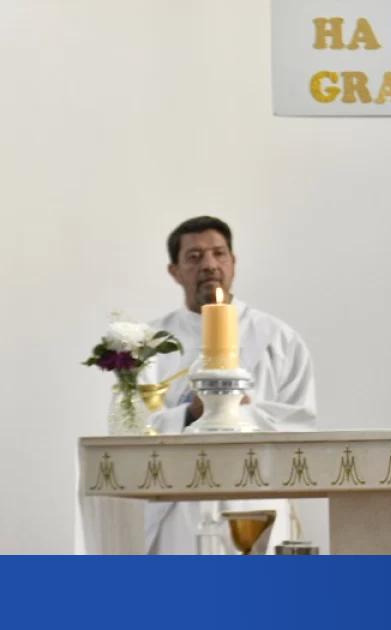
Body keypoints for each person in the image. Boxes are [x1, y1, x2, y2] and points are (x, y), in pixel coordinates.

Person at [143, 216, 317, 553]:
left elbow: (302, 424)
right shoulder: (150, 345)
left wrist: (236, 414)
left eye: (218, 253)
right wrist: (189, 415)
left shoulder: (277, 339)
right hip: (182, 504)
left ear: (233, 262)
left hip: (256, 499)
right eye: (194, 257)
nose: (209, 265)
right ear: (174, 271)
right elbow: (131, 427)